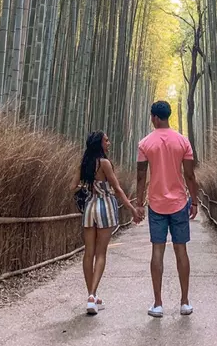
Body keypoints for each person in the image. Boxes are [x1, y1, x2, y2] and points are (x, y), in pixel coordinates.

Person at [135, 101, 199, 318]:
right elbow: (190, 175)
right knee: (181, 250)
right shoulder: (183, 141)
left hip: (156, 204)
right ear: (168, 116)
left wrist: (138, 202)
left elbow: (141, 176)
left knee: (157, 250)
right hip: (180, 203)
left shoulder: (145, 143)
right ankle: (185, 302)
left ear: (154, 117)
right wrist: (195, 201)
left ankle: (158, 303)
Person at [75, 131, 140, 315]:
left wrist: (88, 186)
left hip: (89, 207)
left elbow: (72, 186)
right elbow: (117, 189)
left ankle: (91, 296)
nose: (109, 143)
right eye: (106, 140)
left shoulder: (84, 163)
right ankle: (92, 295)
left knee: (88, 253)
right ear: (99, 143)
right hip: (104, 207)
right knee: (101, 253)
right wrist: (133, 209)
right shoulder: (104, 163)